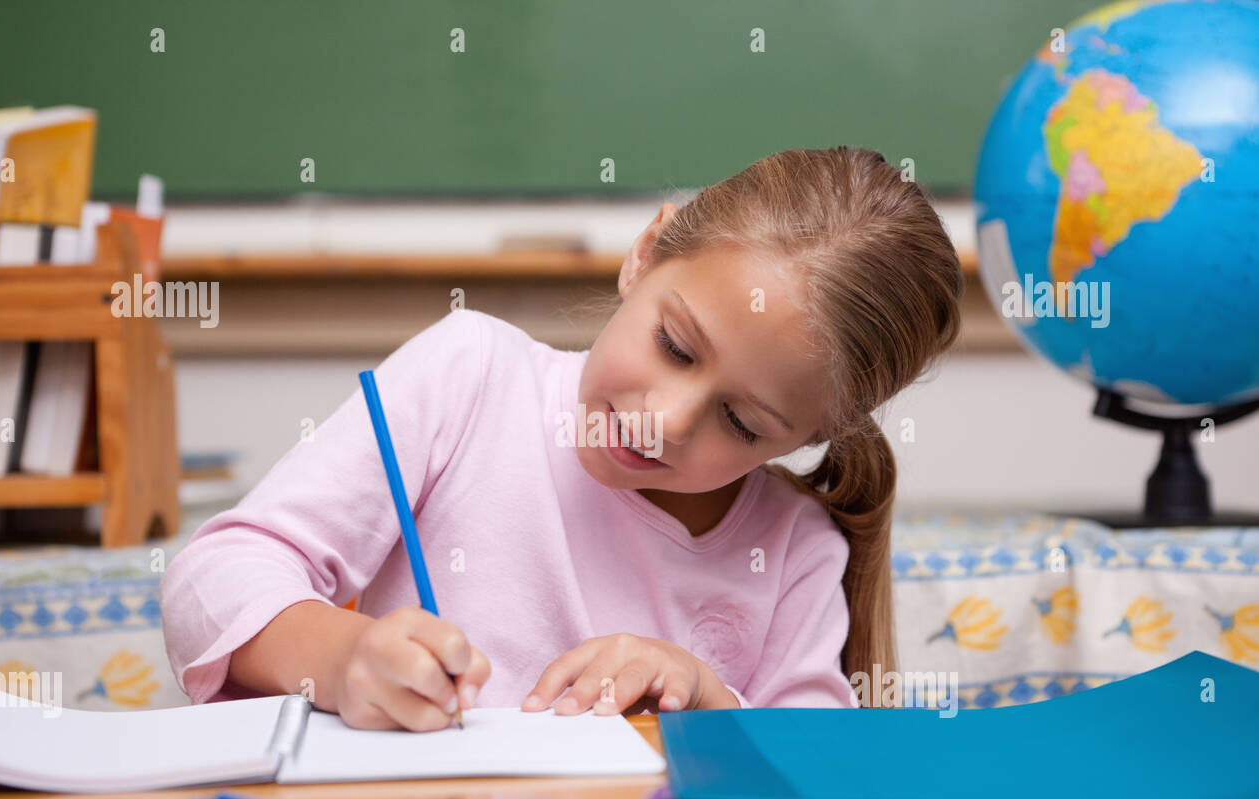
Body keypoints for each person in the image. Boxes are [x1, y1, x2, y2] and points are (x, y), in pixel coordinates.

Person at [159, 146, 964, 731]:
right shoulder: (469, 376)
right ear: (645, 254)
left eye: (742, 423)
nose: (667, 419)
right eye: (675, 347)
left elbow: (814, 772)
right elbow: (213, 580)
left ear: (813, 434)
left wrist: (702, 689)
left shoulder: (795, 547)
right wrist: (343, 660)